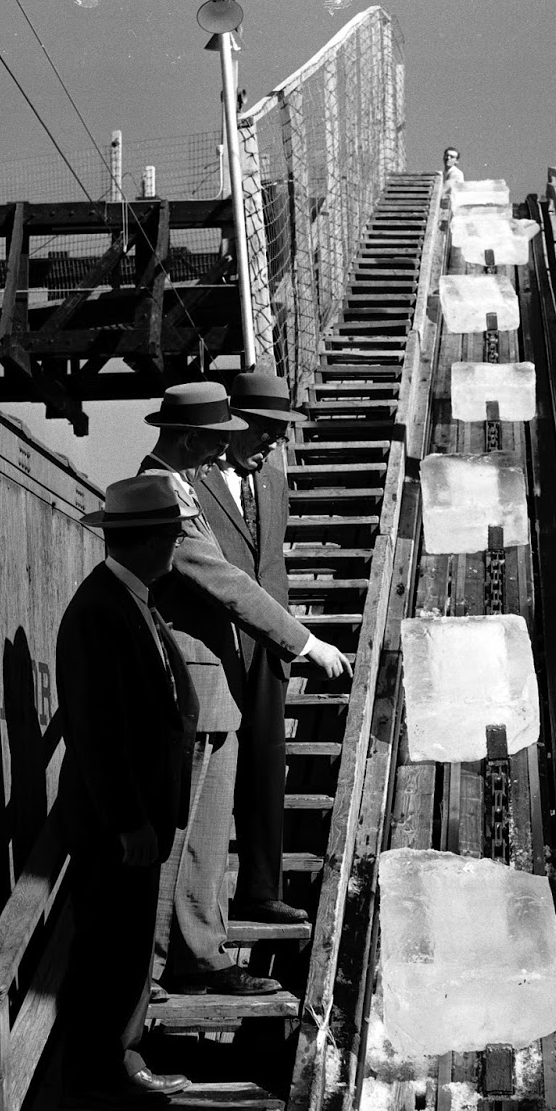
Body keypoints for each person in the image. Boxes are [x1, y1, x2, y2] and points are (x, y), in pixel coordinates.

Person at [138, 382, 351, 995]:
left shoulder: (177, 484)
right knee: (179, 832)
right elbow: (216, 576)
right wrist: (306, 641)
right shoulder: (160, 489)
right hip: (195, 676)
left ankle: (197, 954)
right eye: (214, 438)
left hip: (226, 668)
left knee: (202, 835)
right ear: (189, 438)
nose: (221, 448)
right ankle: (154, 966)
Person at [56, 474, 199, 1103]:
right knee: (107, 951)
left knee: (124, 946)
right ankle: (103, 1073)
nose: (175, 546)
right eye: (169, 535)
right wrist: (128, 820)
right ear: (147, 541)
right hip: (122, 827)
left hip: (137, 822)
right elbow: (97, 729)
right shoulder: (99, 610)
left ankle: (114, 1064)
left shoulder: (129, 601)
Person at [191, 370, 311, 923]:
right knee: (217, 771)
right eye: (265, 431)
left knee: (267, 763)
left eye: (279, 434)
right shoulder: (190, 476)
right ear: (235, 423)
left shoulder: (272, 475)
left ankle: (261, 889)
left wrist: (283, 631)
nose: (273, 443)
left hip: (267, 641)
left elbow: (271, 558)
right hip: (215, 640)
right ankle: (205, 906)